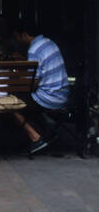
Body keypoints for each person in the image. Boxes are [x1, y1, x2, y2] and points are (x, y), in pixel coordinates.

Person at [10, 19, 71, 154]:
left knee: (9, 103)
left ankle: (35, 137)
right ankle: (47, 131)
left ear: (24, 35)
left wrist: (16, 78)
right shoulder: (49, 43)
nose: (17, 41)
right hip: (63, 96)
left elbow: (34, 83)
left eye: (17, 37)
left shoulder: (34, 49)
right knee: (24, 100)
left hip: (49, 99)